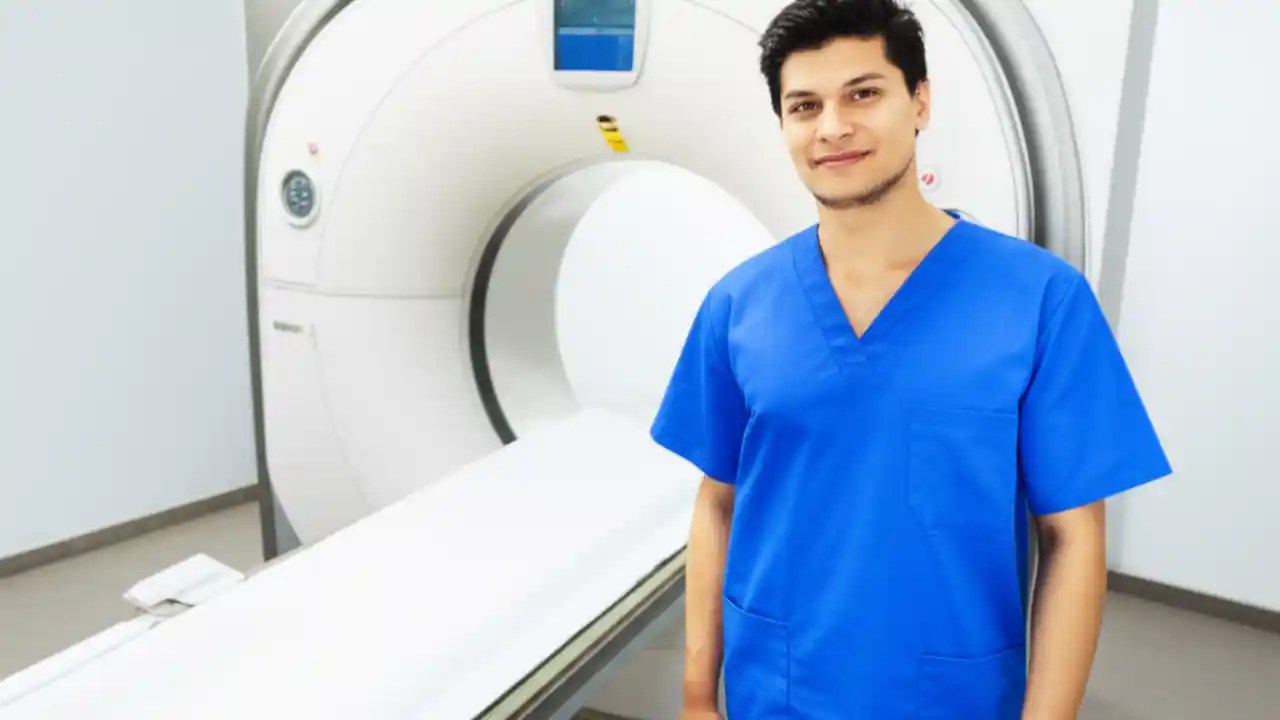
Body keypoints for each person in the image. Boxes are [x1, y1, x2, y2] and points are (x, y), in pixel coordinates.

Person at [648, 0, 1173, 718]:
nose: (833, 126)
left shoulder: (1040, 300)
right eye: (805, 106)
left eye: (863, 94)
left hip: (950, 692)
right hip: (777, 686)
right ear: (784, 126)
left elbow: (1073, 536)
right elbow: (716, 505)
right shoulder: (740, 304)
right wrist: (697, 697)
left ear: (920, 102)